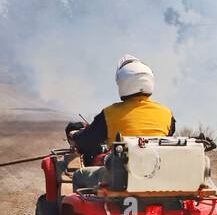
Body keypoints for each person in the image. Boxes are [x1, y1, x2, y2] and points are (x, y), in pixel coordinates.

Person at [70, 55, 176, 189]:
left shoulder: (109, 113)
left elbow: (87, 140)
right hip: (155, 173)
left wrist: (75, 135)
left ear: (122, 83)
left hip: (119, 178)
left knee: (79, 175)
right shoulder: (166, 113)